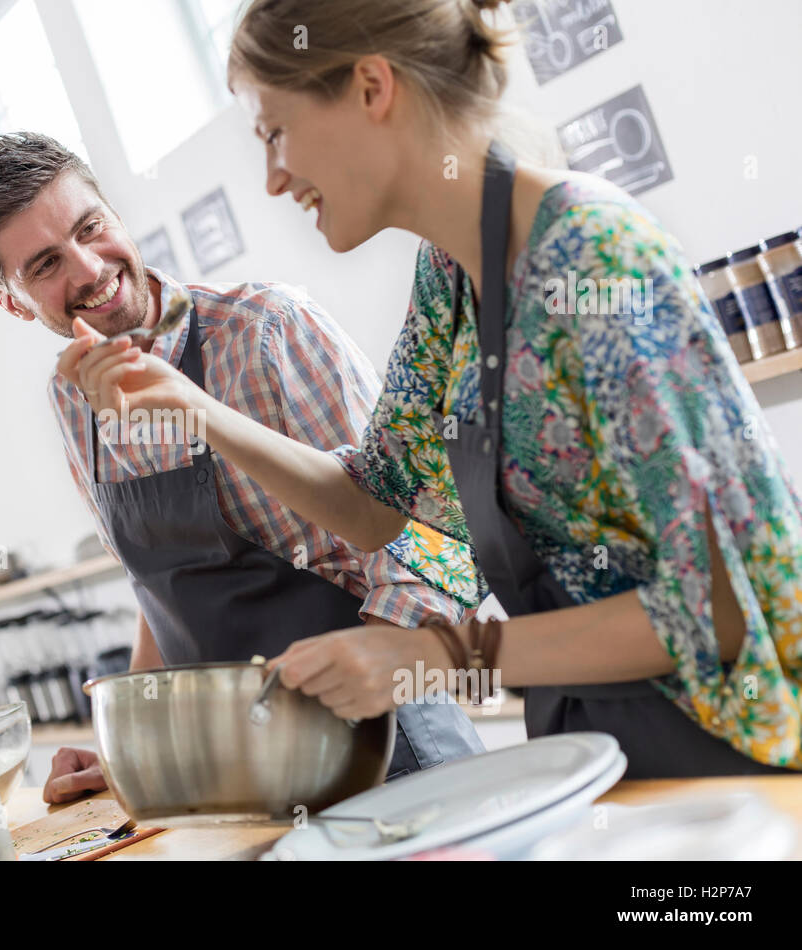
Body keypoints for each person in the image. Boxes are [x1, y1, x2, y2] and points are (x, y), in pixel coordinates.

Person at [69, 0, 802, 777]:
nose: (274, 178)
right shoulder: (449, 274)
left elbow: (722, 610)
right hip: (599, 741)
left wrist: (432, 655)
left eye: (274, 133)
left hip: (737, 756)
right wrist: (199, 413)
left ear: (371, 88)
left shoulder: (592, 258)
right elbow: (376, 502)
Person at [0, 131, 486, 803]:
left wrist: (359, 686)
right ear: (9, 300)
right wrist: (129, 743)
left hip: (389, 747)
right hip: (242, 777)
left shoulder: (265, 330)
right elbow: (161, 586)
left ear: (114, 212)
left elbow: (425, 536)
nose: (87, 270)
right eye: (46, 265)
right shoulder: (71, 398)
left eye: (90, 228)